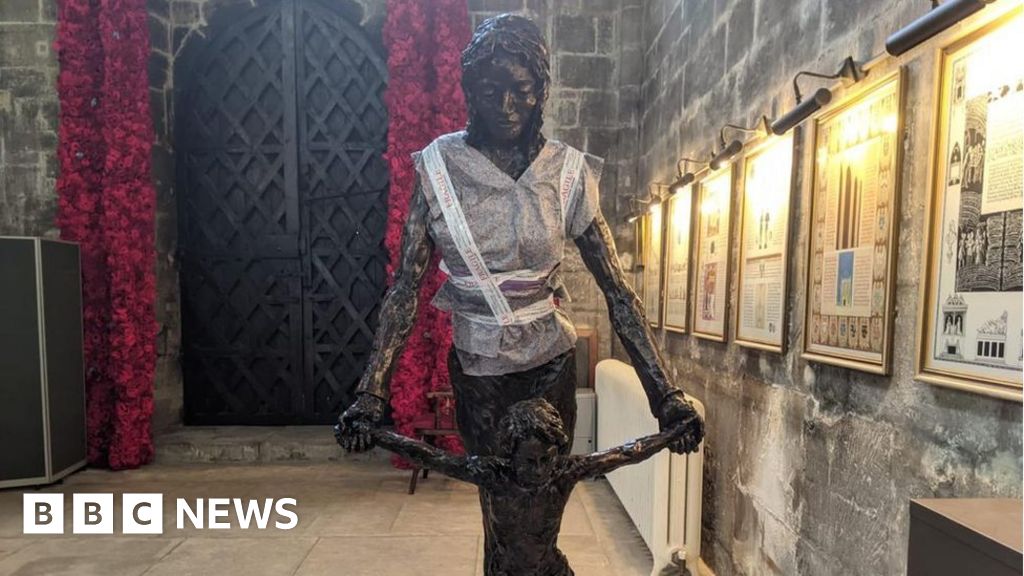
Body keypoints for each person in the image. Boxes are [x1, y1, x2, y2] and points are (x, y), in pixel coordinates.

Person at [335, 13, 703, 571]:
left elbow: (617, 290)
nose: (506, 106)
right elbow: (405, 288)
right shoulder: (439, 168)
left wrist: (665, 395)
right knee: (501, 508)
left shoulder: (568, 173)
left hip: (550, 364)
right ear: (469, 92)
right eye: (489, 91)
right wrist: (370, 392)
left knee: (542, 509)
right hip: (481, 372)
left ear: (543, 92)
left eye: (521, 92)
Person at [345, 398, 700, 576]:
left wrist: (671, 436)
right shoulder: (493, 475)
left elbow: (626, 454)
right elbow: (427, 454)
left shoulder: (562, 472)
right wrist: (373, 434)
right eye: (529, 462)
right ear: (508, 455)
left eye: (546, 459)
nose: (540, 470)